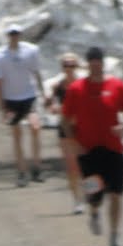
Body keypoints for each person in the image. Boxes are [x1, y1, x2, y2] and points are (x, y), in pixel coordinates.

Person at [61, 45, 123, 246]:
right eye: (92, 63)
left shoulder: (116, 86)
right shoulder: (77, 89)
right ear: (88, 65)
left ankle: (114, 236)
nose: (96, 66)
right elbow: (65, 120)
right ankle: (94, 211)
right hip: (88, 151)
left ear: (103, 63)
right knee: (95, 195)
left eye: (99, 62)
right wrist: (74, 143)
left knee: (117, 193)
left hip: (113, 148)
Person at [0, 24, 44, 186]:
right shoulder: (0, 55)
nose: (14, 36)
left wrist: (44, 93)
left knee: (35, 128)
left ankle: (37, 167)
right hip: (11, 100)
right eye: (12, 34)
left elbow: (36, 72)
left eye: (17, 33)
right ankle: (22, 172)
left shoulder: (30, 51)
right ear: (8, 36)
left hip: (29, 96)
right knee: (17, 135)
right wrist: (2, 106)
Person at [46, 52, 85, 213]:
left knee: (85, 165)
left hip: (83, 128)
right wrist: (52, 107)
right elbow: (49, 106)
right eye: (65, 65)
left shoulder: (83, 85)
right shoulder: (57, 86)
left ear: (76, 66)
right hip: (65, 129)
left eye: (72, 65)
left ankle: (88, 194)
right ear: (62, 67)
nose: (68, 68)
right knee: (72, 167)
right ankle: (77, 200)